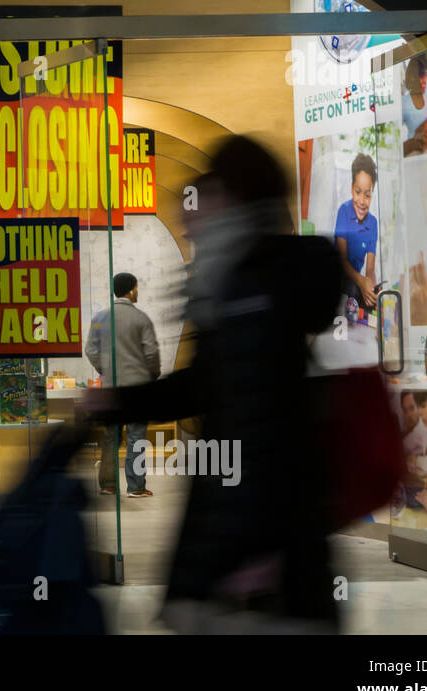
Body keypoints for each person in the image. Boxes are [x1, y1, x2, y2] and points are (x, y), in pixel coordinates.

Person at [83, 135, 343, 632]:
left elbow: (264, 429)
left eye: (199, 203)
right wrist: (116, 401)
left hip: (257, 563)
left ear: (230, 198)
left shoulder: (251, 294)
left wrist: (265, 550)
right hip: (249, 549)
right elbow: (209, 389)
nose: (189, 220)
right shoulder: (242, 291)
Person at [84, 272, 160, 497]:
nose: (137, 291)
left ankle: (108, 484)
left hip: (110, 389)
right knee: (136, 438)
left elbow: (90, 350)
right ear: (131, 290)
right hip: (137, 388)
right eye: (136, 288)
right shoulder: (141, 319)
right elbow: (152, 353)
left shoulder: (99, 318)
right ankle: (136, 487)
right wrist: (151, 375)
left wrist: (105, 371)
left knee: (110, 437)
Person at [335, 152, 380, 312]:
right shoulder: (344, 211)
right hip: (339, 280)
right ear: (351, 189)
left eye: (367, 195)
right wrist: (362, 282)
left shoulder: (373, 223)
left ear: (372, 194)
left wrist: (371, 286)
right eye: (358, 192)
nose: (362, 201)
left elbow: (369, 269)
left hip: (356, 282)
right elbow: (341, 260)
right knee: (353, 290)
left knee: (371, 301)